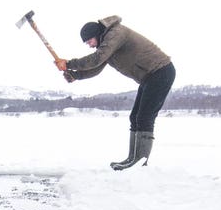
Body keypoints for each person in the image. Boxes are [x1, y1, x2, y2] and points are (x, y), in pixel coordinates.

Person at [55, 15, 176, 171]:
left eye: (89, 41)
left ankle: (140, 162)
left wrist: (69, 63)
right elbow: (96, 68)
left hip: (161, 72)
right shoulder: (106, 44)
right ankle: (133, 159)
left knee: (145, 117)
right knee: (135, 117)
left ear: (96, 34)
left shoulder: (116, 34)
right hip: (149, 77)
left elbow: (96, 59)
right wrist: (75, 74)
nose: (89, 45)